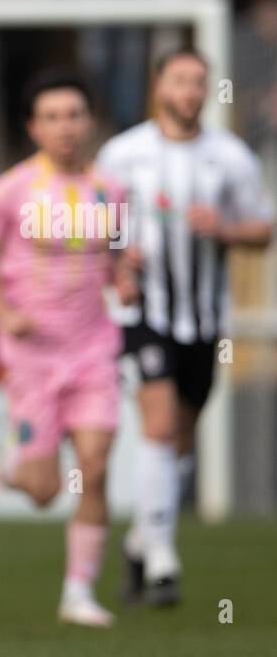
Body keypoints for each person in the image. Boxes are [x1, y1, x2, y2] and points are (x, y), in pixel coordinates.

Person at [96, 48, 273, 607]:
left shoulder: (230, 157)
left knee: (180, 437)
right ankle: (164, 561)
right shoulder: (124, 154)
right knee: (160, 419)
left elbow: (262, 230)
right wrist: (120, 266)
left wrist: (224, 228)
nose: (191, 91)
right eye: (181, 80)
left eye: (200, 82)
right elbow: (97, 230)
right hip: (144, 313)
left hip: (203, 318)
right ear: (159, 86)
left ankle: (140, 541)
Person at [0, 71, 136, 628]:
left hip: (93, 349)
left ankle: (79, 592)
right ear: (35, 126)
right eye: (53, 117)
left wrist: (126, 278)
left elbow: (119, 258)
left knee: (97, 463)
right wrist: (4, 313)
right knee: (43, 490)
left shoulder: (110, 191)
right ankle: (18, 465)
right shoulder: (13, 189)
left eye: (75, 115)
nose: (66, 127)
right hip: (32, 355)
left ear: (89, 122)